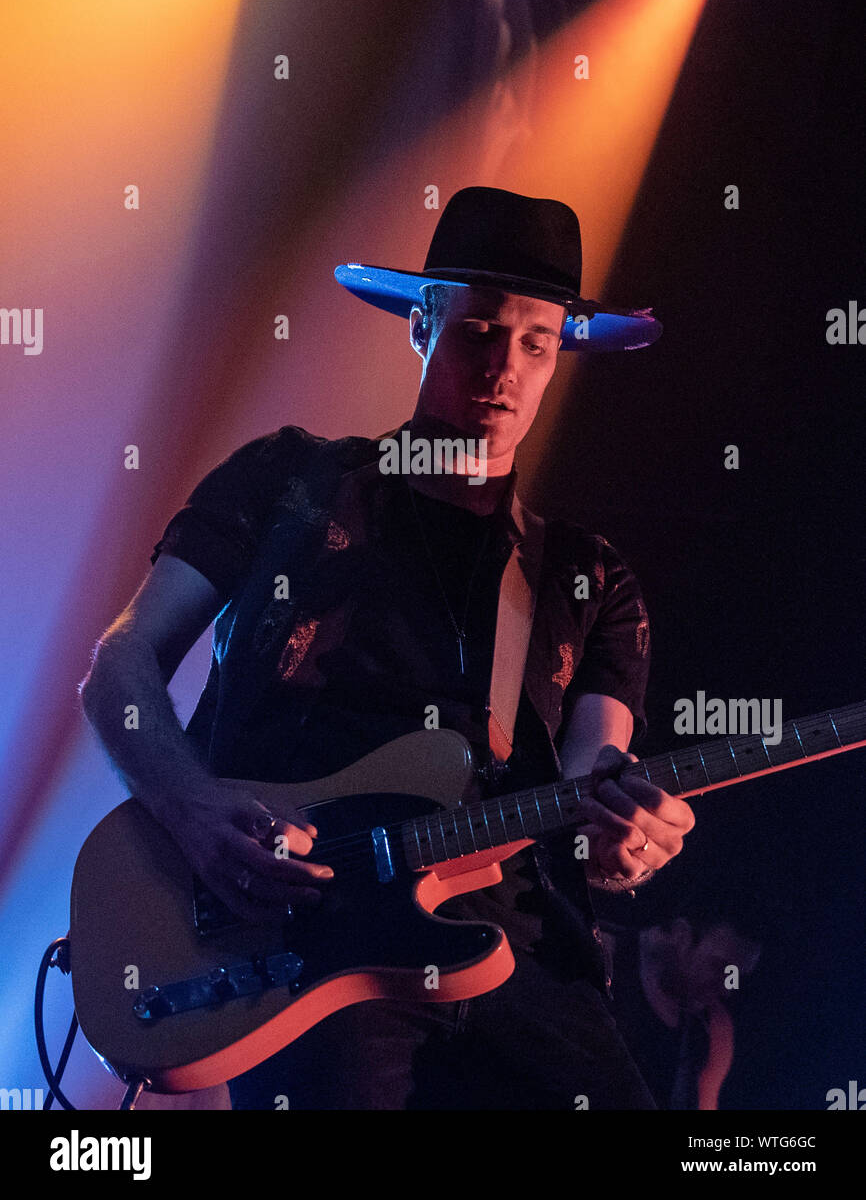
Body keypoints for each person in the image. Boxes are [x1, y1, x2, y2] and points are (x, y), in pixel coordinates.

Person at [80, 185, 695, 1110]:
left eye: (536, 342)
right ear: (421, 326)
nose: (506, 367)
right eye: (480, 331)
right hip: (316, 943)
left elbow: (591, 777)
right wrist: (193, 808)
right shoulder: (288, 480)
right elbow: (119, 670)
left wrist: (626, 840)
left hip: (516, 956)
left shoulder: (588, 577)